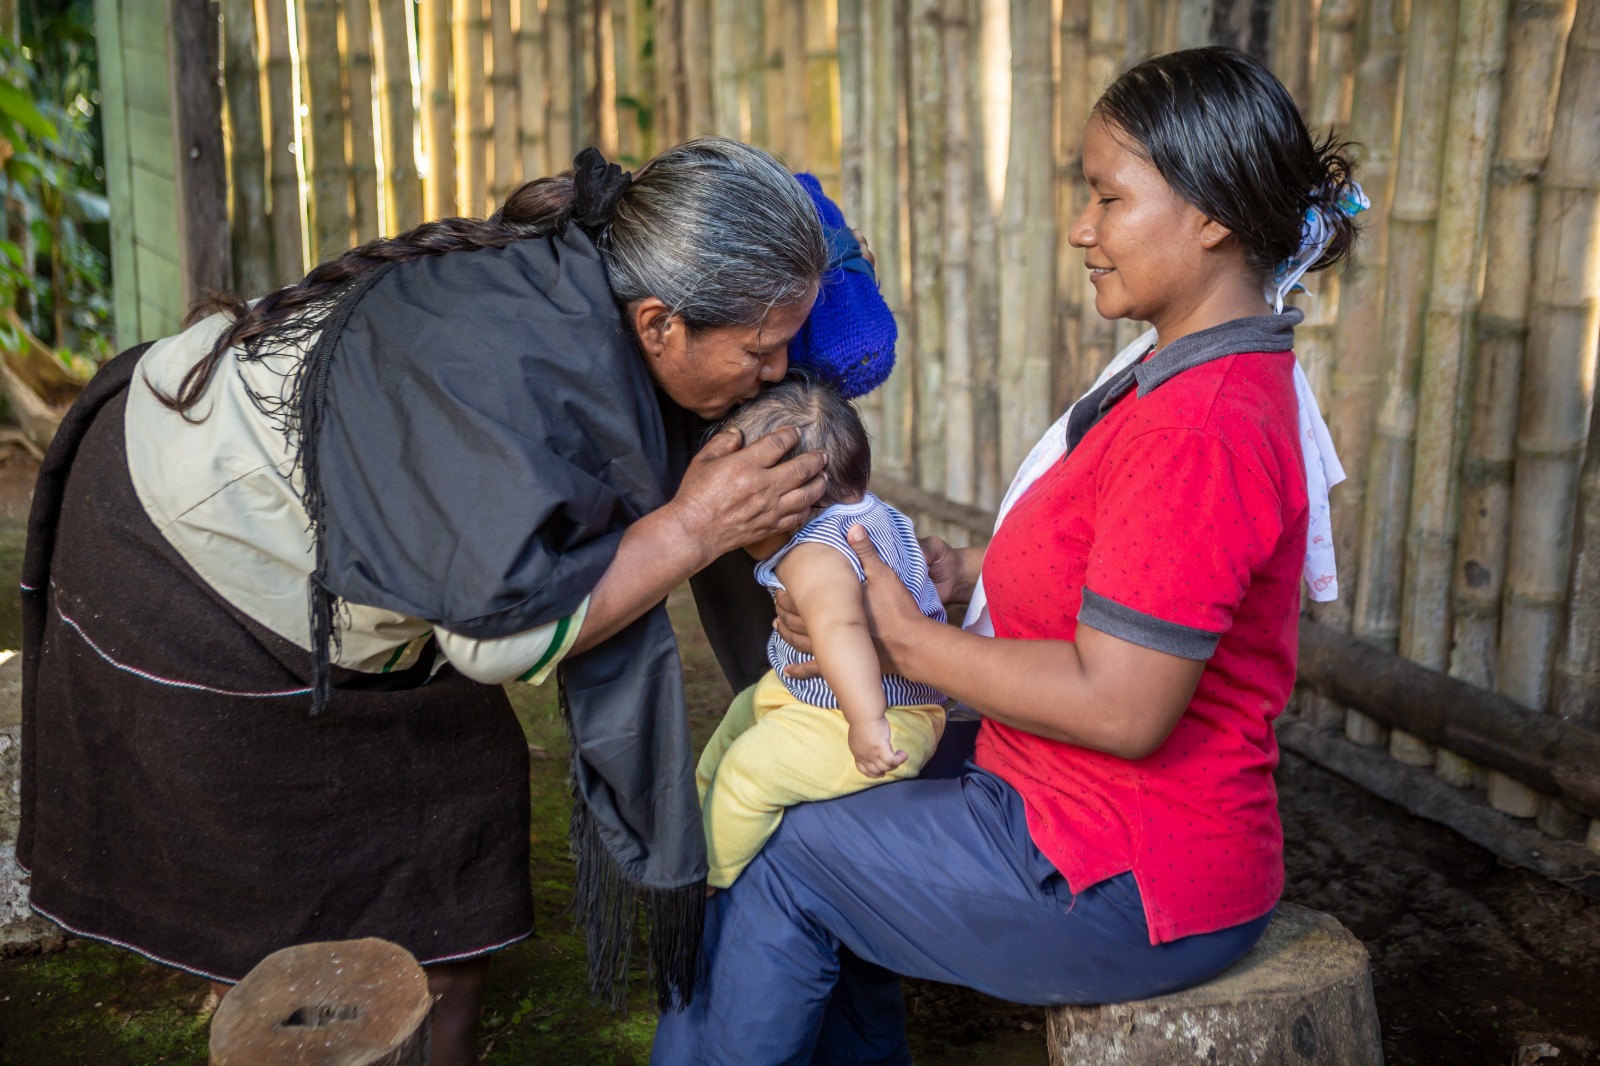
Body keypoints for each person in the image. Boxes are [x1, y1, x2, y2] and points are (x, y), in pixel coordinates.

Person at [18, 138, 834, 1066]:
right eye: (762, 351)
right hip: (183, 546)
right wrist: (692, 527)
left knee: (452, 884)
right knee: (278, 939)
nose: (776, 374)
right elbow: (502, 641)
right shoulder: (515, 377)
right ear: (658, 326)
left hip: (351, 533)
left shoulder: (596, 286)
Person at [650, 46, 1362, 1065]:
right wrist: (961, 583)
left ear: (1209, 217)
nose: (1082, 228)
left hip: (1123, 875)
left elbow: (1122, 704)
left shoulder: (1197, 426)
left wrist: (904, 635)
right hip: (1090, 815)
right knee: (819, 798)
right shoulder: (1181, 378)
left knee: (788, 851)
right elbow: (1120, 583)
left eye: (1108, 199)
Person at [696, 377, 947, 889]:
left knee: (747, 769)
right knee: (743, 712)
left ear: (787, 501)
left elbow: (843, 627)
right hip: (833, 696)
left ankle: (710, 885)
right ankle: (699, 823)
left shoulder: (814, 556)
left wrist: (867, 723)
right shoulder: (875, 514)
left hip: (880, 718)